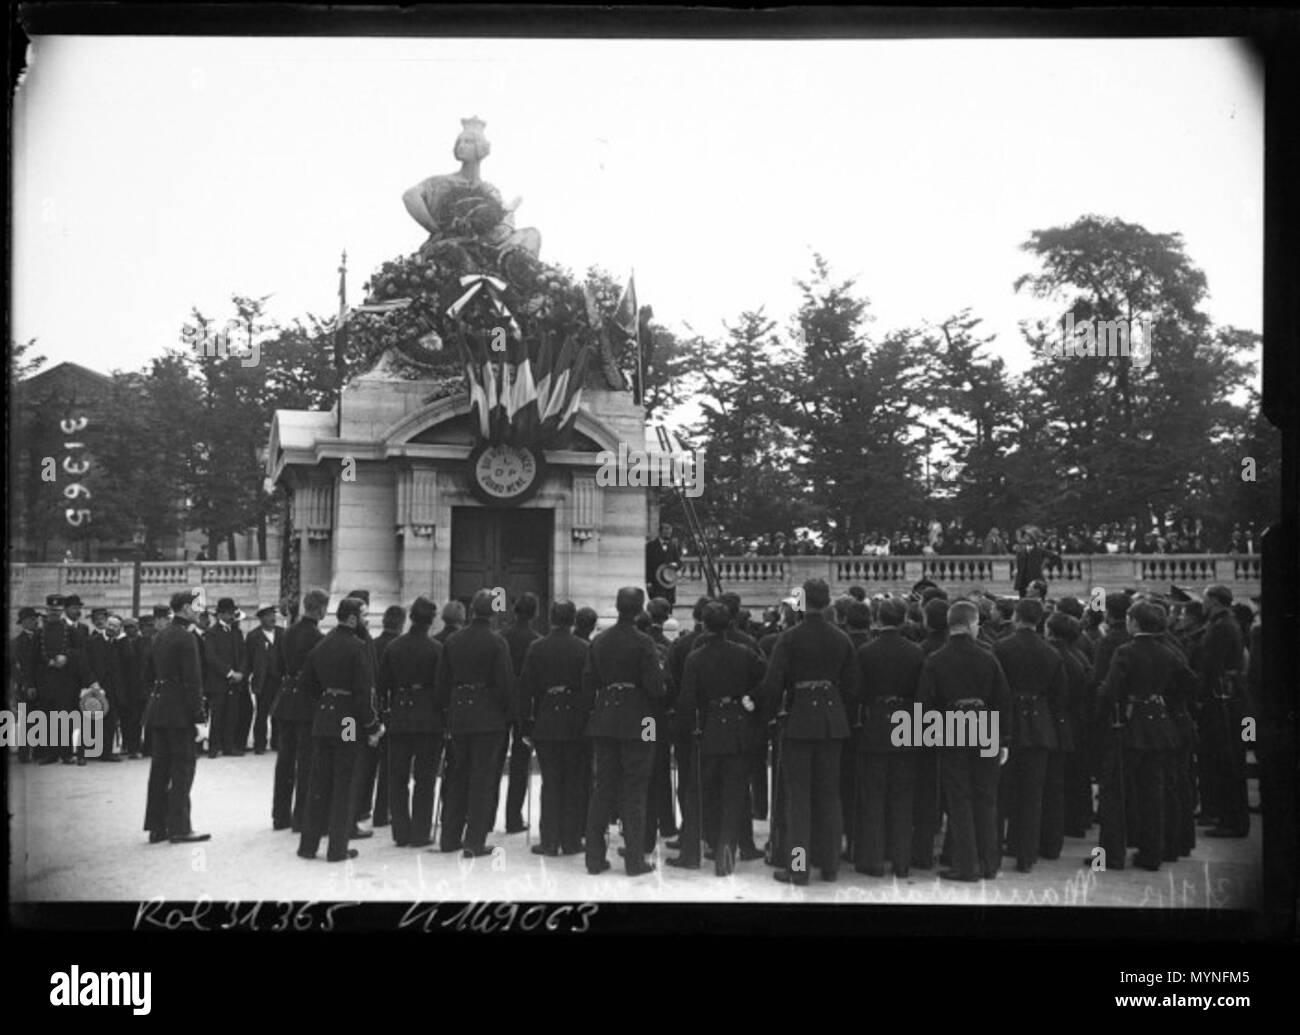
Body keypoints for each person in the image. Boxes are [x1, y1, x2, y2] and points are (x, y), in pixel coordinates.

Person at [760, 578, 858, 885]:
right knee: (829, 795)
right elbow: (853, 687)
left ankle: (798, 867)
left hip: (800, 719)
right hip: (831, 721)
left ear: (802, 602)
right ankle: (829, 865)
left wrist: (767, 716)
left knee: (798, 799)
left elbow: (774, 683)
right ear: (827, 602)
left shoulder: (789, 638)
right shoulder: (842, 638)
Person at [918, 601, 1011, 882]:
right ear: (973, 625)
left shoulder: (935, 659)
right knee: (986, 798)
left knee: (959, 799)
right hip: (984, 725)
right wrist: (1004, 739)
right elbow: (1003, 699)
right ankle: (989, 863)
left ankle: (967, 864)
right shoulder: (989, 656)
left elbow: (923, 704)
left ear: (950, 624)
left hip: (951, 727)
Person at [1098, 601, 1190, 870]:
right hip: (1160, 725)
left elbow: (1112, 690)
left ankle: (1111, 855)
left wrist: (1105, 699)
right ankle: (1152, 854)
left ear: (1135, 622)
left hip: (1129, 725)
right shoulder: (1169, 651)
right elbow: (1188, 682)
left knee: (1114, 792)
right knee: (1154, 792)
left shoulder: (1125, 650)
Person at [676, 602, 766, 876]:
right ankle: (727, 848)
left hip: (709, 727)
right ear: (729, 625)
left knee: (697, 793)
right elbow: (767, 680)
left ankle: (691, 852)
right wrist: (751, 699)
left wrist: (682, 733)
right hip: (739, 728)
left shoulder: (696, 658)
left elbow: (687, 702)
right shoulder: (746, 653)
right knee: (734, 793)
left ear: (703, 624)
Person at [582, 586, 665, 876]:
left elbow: (588, 682)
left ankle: (594, 858)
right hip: (642, 720)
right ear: (640, 608)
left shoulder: (599, 641)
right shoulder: (644, 643)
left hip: (605, 717)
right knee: (636, 789)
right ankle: (634, 859)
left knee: (603, 788)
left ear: (617, 606)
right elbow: (656, 687)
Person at [297, 597, 382, 862]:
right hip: (347, 721)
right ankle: (337, 847)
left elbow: (306, 685)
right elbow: (362, 694)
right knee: (345, 782)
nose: (368, 620)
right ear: (353, 618)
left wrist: (326, 702)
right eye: (365, 615)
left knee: (319, 783)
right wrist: (372, 725)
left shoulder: (322, 644)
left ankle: (308, 846)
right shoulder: (358, 648)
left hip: (324, 718)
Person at [434, 589, 516, 857]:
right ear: (493, 613)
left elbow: (442, 684)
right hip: (488, 716)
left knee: (456, 776)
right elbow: (504, 684)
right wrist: (508, 715)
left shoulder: (453, 641)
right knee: (481, 780)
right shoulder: (497, 642)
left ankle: (449, 837)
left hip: (459, 714)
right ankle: (474, 841)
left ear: (471, 612)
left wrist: (448, 712)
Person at [853, 596, 924, 878]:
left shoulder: (867, 651)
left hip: (877, 722)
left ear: (878, 619)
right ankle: (901, 861)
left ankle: (872, 859)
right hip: (905, 722)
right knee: (903, 798)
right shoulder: (916, 652)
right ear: (904, 619)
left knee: (874, 797)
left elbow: (857, 691)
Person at [992, 598, 1064, 873]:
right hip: (1039, 724)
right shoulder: (1051, 652)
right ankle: (1026, 856)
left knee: (998, 793)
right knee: (1032, 795)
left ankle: (994, 851)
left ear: (1016, 617)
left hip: (1003, 723)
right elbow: (1059, 696)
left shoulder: (1000, 647)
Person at [518, 600, 590, 856]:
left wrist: (527, 724)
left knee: (550, 783)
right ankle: (571, 840)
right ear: (572, 621)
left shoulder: (537, 647)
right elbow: (591, 686)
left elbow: (526, 688)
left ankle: (549, 841)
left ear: (550, 619)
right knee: (573, 783)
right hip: (575, 722)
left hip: (547, 718)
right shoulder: (584, 648)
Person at [142, 591, 211, 844]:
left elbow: (148, 674)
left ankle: (157, 827)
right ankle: (179, 827)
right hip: (180, 713)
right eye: (196, 607)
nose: (199, 612)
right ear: (184, 608)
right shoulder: (186, 638)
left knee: (160, 770)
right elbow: (194, 682)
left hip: (159, 709)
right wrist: (199, 718)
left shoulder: (160, 635)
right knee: (183, 770)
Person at [380, 596, 445, 848]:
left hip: (400, 714)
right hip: (428, 717)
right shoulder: (437, 649)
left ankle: (400, 831)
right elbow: (442, 688)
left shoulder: (393, 647)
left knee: (397, 778)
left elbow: (383, 684)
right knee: (425, 778)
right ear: (431, 621)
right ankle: (420, 832)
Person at [271, 589, 328, 832]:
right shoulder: (318, 637)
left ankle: (279, 815)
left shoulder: (287, 633)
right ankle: (301, 816)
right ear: (321, 609)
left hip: (285, 699)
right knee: (306, 762)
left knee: (284, 760)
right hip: (307, 703)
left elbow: (277, 666)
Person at [1197, 585, 1249, 838]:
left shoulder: (1220, 627)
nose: (1203, 604)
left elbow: (1210, 666)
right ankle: (1230, 818)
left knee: (1227, 763)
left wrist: (1198, 696)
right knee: (1227, 762)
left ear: (1215, 601)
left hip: (1221, 702)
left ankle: (1232, 821)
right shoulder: (1227, 623)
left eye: (1206, 600)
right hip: (1226, 700)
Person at [498, 593, 541, 835]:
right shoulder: (537, 641)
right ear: (535, 614)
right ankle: (513, 818)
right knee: (519, 764)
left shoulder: (500, 637)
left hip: (500, 707)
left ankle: (485, 817)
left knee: (493, 764)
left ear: (514, 611)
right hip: (525, 709)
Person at [202, 598, 247, 757]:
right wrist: (229, 673)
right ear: (219, 614)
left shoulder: (237, 632)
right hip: (218, 681)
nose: (231, 616)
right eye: (228, 613)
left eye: (232, 613)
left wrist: (241, 672)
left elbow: (243, 655)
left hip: (235, 681)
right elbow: (211, 657)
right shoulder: (212, 633)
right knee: (218, 714)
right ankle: (215, 746)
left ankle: (229, 745)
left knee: (232, 715)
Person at [244, 603, 285, 756]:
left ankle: (276, 742)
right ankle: (259, 743)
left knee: (278, 713)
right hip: (263, 680)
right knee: (262, 713)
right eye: (268, 615)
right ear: (261, 618)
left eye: (273, 615)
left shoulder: (282, 633)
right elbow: (248, 659)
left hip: (280, 679)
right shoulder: (253, 636)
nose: (272, 618)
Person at [10, 607, 43, 763]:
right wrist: (26, 685)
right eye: (30, 619)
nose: (34, 622)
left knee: (40, 719)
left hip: (42, 686)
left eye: (35, 619)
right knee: (25, 721)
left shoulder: (42, 638)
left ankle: (39, 753)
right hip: (25, 688)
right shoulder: (17, 643)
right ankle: (24, 754)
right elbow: (16, 668)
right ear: (22, 623)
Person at [645, 522, 682, 606]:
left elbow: (679, 562)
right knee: (656, 606)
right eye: (666, 532)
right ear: (660, 532)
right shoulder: (650, 546)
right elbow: (647, 566)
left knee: (669, 606)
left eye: (669, 532)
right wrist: (648, 582)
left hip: (668, 583)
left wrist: (675, 565)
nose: (668, 534)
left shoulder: (672, 546)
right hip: (655, 583)